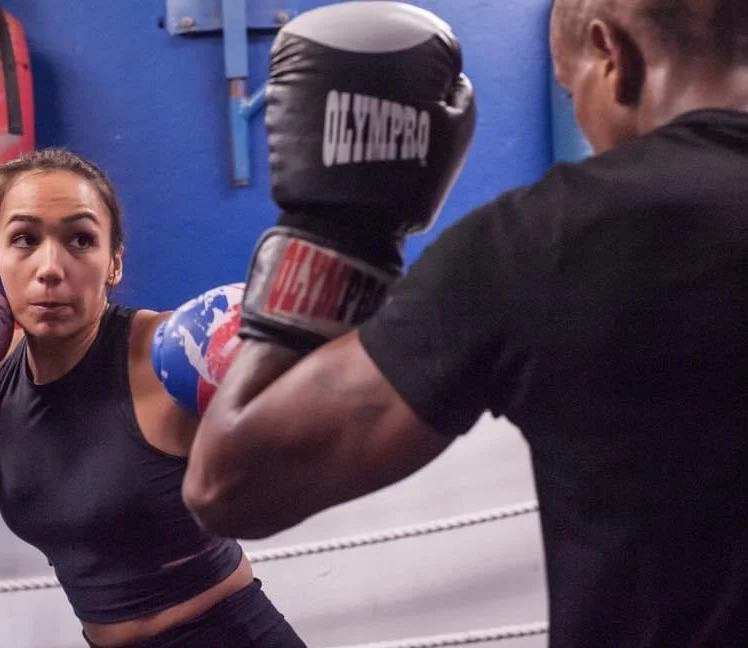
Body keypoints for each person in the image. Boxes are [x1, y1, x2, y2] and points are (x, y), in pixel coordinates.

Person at [176, 0, 748, 646]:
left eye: (570, 88)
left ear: (610, 54)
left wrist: (334, 227)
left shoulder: (543, 240)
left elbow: (228, 482)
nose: (583, 122)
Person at [0, 147, 306, 648]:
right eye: (24, 239)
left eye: (80, 239)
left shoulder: (172, 353)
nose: (51, 268)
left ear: (113, 263)